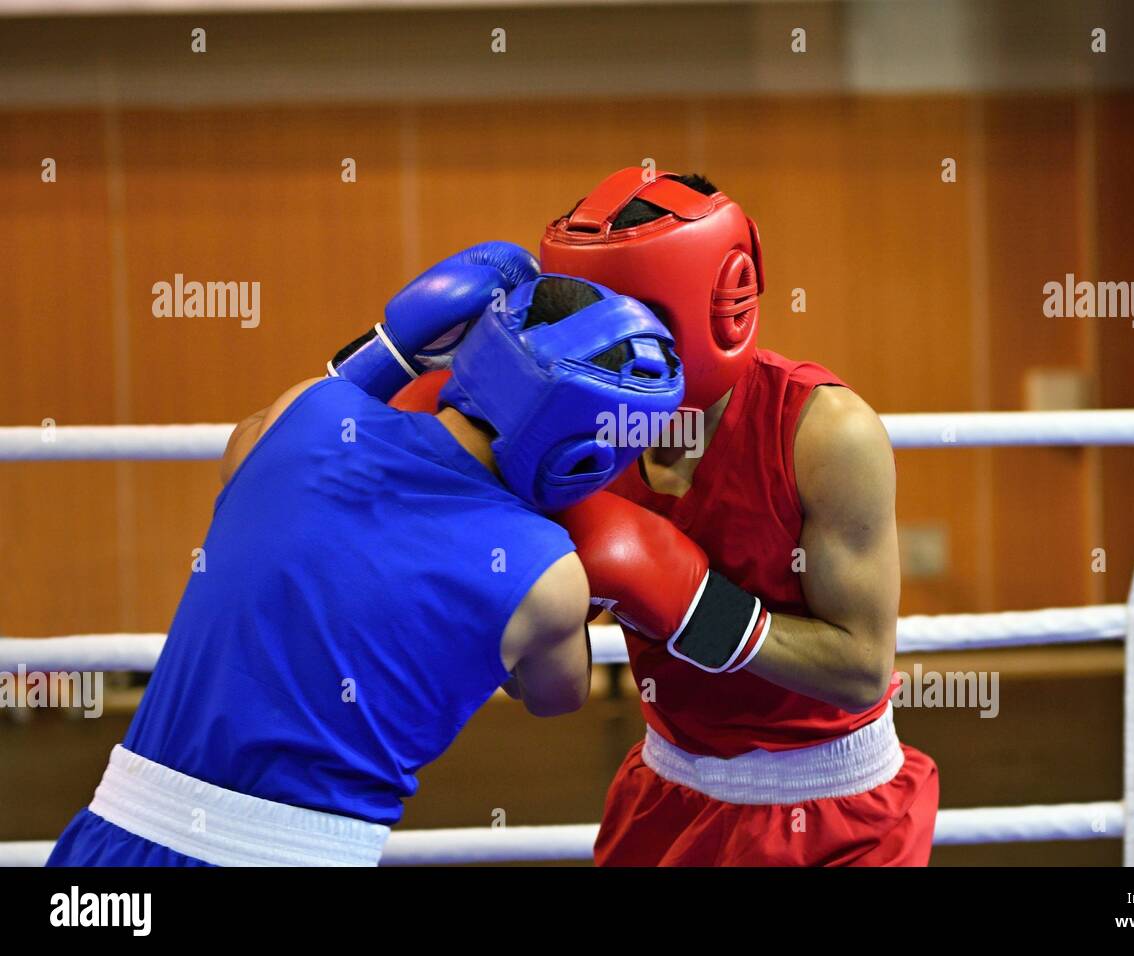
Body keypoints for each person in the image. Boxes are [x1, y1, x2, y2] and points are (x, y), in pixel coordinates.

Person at [46, 244, 684, 867]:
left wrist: (389, 351)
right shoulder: (545, 578)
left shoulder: (307, 415)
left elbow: (243, 452)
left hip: (112, 838)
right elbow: (557, 696)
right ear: (588, 449)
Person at [540, 167, 940, 866]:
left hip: (833, 809)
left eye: (632, 320)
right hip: (669, 790)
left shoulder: (824, 434)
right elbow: (548, 677)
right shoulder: (583, 425)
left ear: (721, 304)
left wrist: (692, 607)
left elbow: (861, 667)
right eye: (587, 319)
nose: (604, 351)